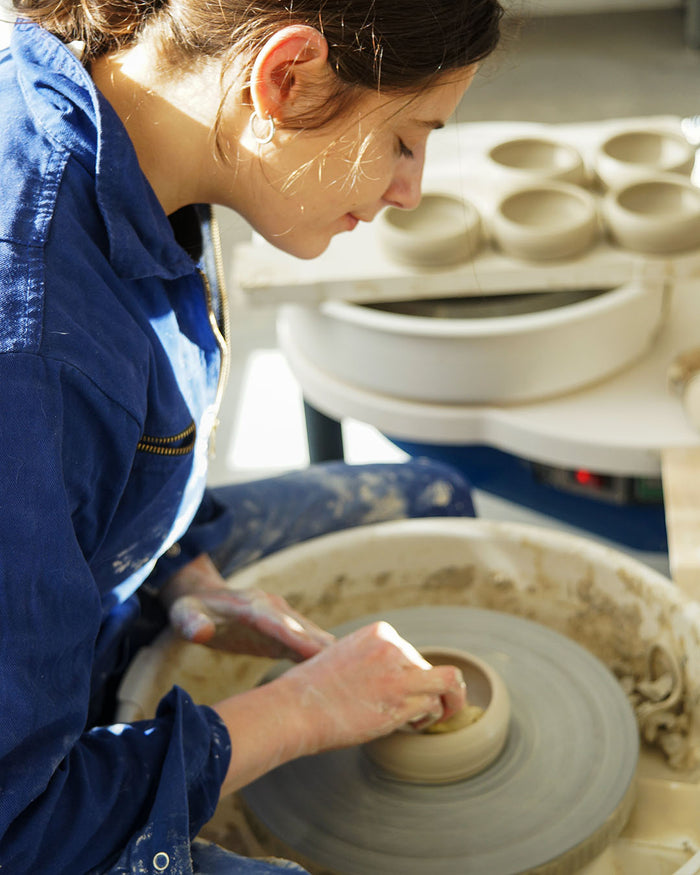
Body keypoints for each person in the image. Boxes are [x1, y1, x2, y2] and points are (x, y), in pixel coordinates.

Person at [0, 0, 503, 871]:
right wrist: (302, 711)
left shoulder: (124, 109)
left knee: (435, 501)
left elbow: (82, 477)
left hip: (75, 587)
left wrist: (183, 566)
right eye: (407, 140)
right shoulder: (35, 352)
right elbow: (19, 832)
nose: (408, 191)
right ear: (286, 75)